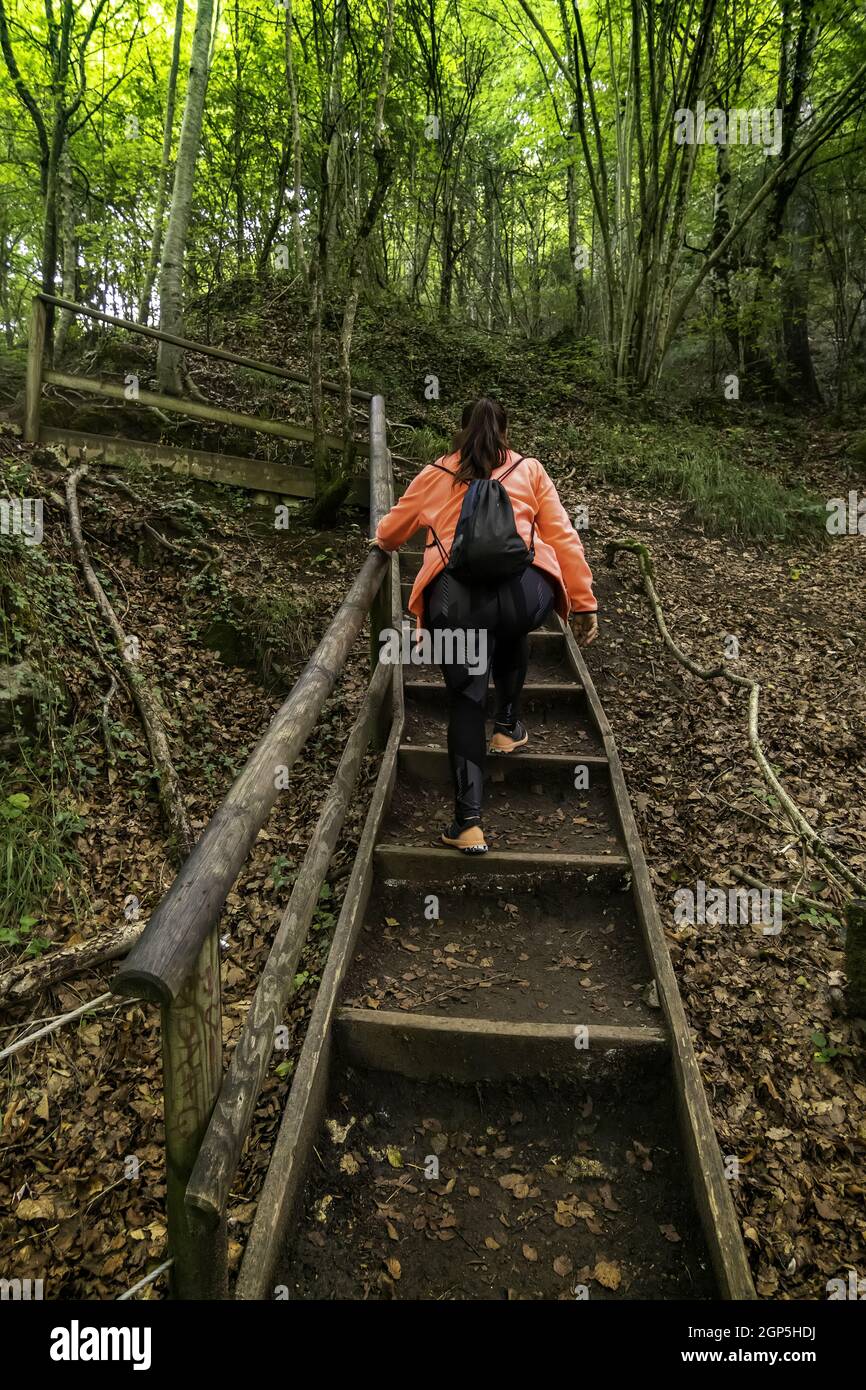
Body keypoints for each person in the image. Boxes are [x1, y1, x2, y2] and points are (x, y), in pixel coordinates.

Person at [373, 395, 598, 854]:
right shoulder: (529, 471)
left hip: (455, 604)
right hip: (523, 595)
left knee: (466, 699)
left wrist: (381, 538)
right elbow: (562, 536)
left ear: (459, 431)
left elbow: (392, 533)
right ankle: (509, 725)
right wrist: (583, 600)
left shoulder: (435, 473)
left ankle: (468, 823)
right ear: (506, 432)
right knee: (511, 626)